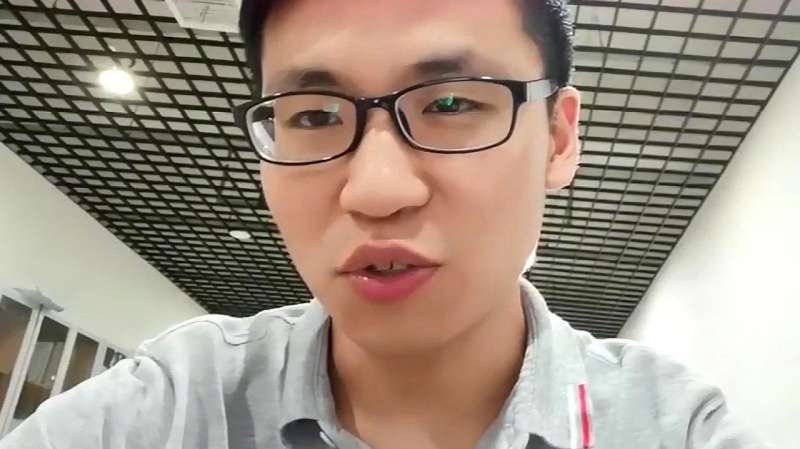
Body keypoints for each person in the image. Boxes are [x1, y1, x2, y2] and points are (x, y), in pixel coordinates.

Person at [0, 0, 770, 448]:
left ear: (559, 138)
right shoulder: (176, 404)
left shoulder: (668, 425)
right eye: (312, 115)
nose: (375, 191)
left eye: (451, 103)